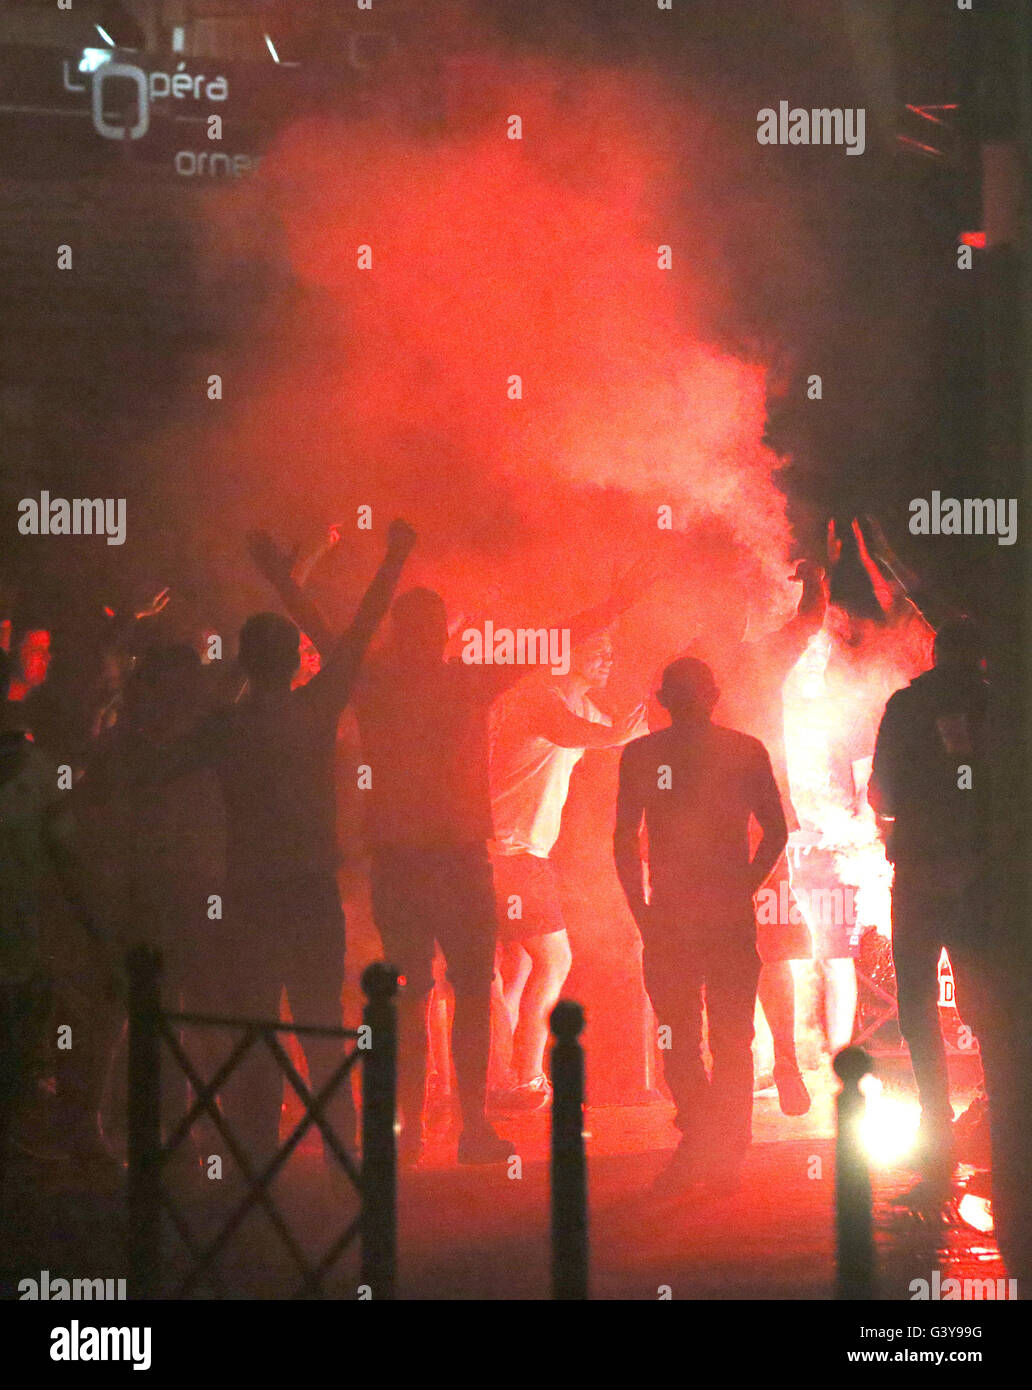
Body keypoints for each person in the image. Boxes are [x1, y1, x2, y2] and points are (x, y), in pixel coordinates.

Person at [352, 566, 653, 1166]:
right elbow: (553, 637)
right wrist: (618, 597)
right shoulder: (471, 683)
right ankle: (482, 1115)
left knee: (427, 991)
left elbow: (342, 634)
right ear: (440, 634)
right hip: (470, 856)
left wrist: (349, 571)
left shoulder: (372, 681)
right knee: (476, 984)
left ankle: (415, 1127)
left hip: (403, 860)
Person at [142, 521, 416, 1174]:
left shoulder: (226, 726)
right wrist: (394, 558)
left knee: (257, 1024)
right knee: (321, 1021)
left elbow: (151, 770)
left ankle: (257, 1152)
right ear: (296, 662)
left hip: (251, 893)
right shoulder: (316, 710)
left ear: (246, 662)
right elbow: (356, 633)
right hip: (307, 891)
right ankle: (344, 1152)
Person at [614, 657, 787, 1195]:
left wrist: (643, 911)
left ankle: (707, 1142)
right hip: (713, 916)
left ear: (665, 699)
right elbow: (776, 831)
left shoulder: (644, 755)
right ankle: (721, 1148)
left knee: (684, 1038)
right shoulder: (742, 750)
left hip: (674, 915)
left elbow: (624, 840)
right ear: (715, 696)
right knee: (726, 1038)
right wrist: (743, 886)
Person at [489, 631, 647, 1110]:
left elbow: (620, 733)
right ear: (565, 653)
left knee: (514, 967)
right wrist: (623, 729)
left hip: (514, 854)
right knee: (553, 961)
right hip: (509, 853)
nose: (608, 657)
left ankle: (503, 1083)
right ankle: (526, 1078)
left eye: (610, 652)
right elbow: (582, 734)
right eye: (596, 650)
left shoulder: (580, 705)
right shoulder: (539, 695)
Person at [870, 617, 989, 1188]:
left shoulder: (907, 707)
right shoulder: (1004, 705)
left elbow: (883, 792)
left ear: (937, 654)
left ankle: (936, 1127)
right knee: (991, 998)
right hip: (986, 870)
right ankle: (1001, 1116)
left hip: (919, 867)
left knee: (916, 999)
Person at [0, 648, 117, 1185]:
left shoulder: (42, 773)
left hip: (21, 938)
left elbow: (65, 857)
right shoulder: (41, 774)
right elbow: (67, 859)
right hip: (21, 937)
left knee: (22, 1041)